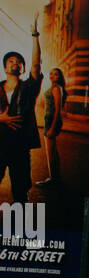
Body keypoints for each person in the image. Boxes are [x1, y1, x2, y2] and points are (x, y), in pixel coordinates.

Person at [0, 18, 42, 203]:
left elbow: (36, 65)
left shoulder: (28, 88)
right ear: (5, 67)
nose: (14, 63)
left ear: (22, 68)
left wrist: (35, 36)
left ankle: (17, 229)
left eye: (18, 62)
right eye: (10, 61)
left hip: (19, 146)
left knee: (20, 191)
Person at [39, 67, 66, 187]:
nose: (52, 76)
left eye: (56, 74)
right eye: (51, 74)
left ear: (59, 77)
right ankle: (56, 178)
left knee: (50, 152)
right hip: (48, 120)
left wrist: (52, 127)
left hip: (51, 121)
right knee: (53, 151)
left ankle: (53, 179)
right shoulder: (54, 88)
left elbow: (58, 111)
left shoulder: (56, 89)